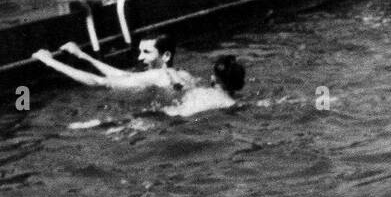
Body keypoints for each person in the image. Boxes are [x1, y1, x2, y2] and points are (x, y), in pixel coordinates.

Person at [32, 34, 192, 92]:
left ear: (165, 55)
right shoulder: (183, 74)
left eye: (147, 52)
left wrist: (48, 61)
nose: (139, 58)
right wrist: (82, 55)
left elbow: (99, 81)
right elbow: (124, 75)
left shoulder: (156, 75)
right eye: (140, 52)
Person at [161, 55, 245, 117]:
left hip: (174, 114)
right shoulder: (232, 103)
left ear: (215, 79)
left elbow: (179, 88)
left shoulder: (201, 92)